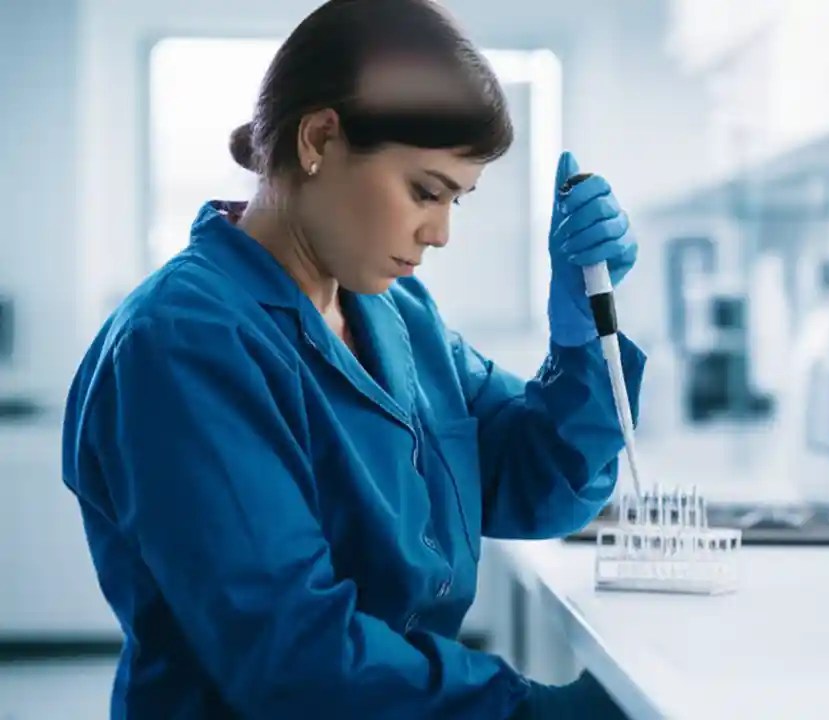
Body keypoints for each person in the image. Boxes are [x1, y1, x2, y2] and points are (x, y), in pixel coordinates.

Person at [60, 1, 641, 717]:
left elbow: (538, 481)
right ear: (319, 138)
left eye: (458, 200)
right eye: (426, 191)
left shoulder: (398, 314)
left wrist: (585, 346)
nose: (440, 232)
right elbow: (292, 655)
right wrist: (524, 711)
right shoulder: (182, 342)